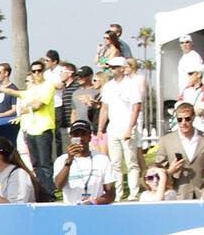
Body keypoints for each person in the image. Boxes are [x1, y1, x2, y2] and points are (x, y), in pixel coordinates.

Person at [0, 60, 56, 200]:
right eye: (33, 71)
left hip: (43, 129)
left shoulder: (47, 86)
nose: (36, 74)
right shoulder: (31, 90)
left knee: (45, 164)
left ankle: (49, 193)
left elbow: (38, 105)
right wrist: (0, 88)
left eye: (38, 71)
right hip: (30, 131)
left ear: (43, 71)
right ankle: (42, 192)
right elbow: (16, 93)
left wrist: (24, 109)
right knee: (36, 165)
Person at [98, 56, 143, 200]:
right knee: (115, 164)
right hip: (113, 128)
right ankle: (117, 194)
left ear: (122, 69)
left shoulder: (131, 84)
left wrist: (130, 128)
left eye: (114, 67)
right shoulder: (108, 86)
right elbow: (104, 109)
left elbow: (136, 107)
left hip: (126, 127)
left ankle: (134, 193)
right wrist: (100, 129)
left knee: (131, 162)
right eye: (110, 67)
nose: (111, 69)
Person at [155, 101, 204, 200]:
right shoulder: (166, 141)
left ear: (193, 118)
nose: (183, 123)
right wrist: (170, 171)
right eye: (180, 119)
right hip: (178, 195)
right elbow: (157, 171)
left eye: (187, 119)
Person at [54, 120, 114, 205]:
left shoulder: (102, 159)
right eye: (76, 135)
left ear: (90, 137)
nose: (80, 139)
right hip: (71, 210)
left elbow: (111, 194)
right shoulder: (61, 160)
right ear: (70, 137)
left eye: (83, 134)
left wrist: (94, 202)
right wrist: (69, 161)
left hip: (95, 210)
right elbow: (58, 186)